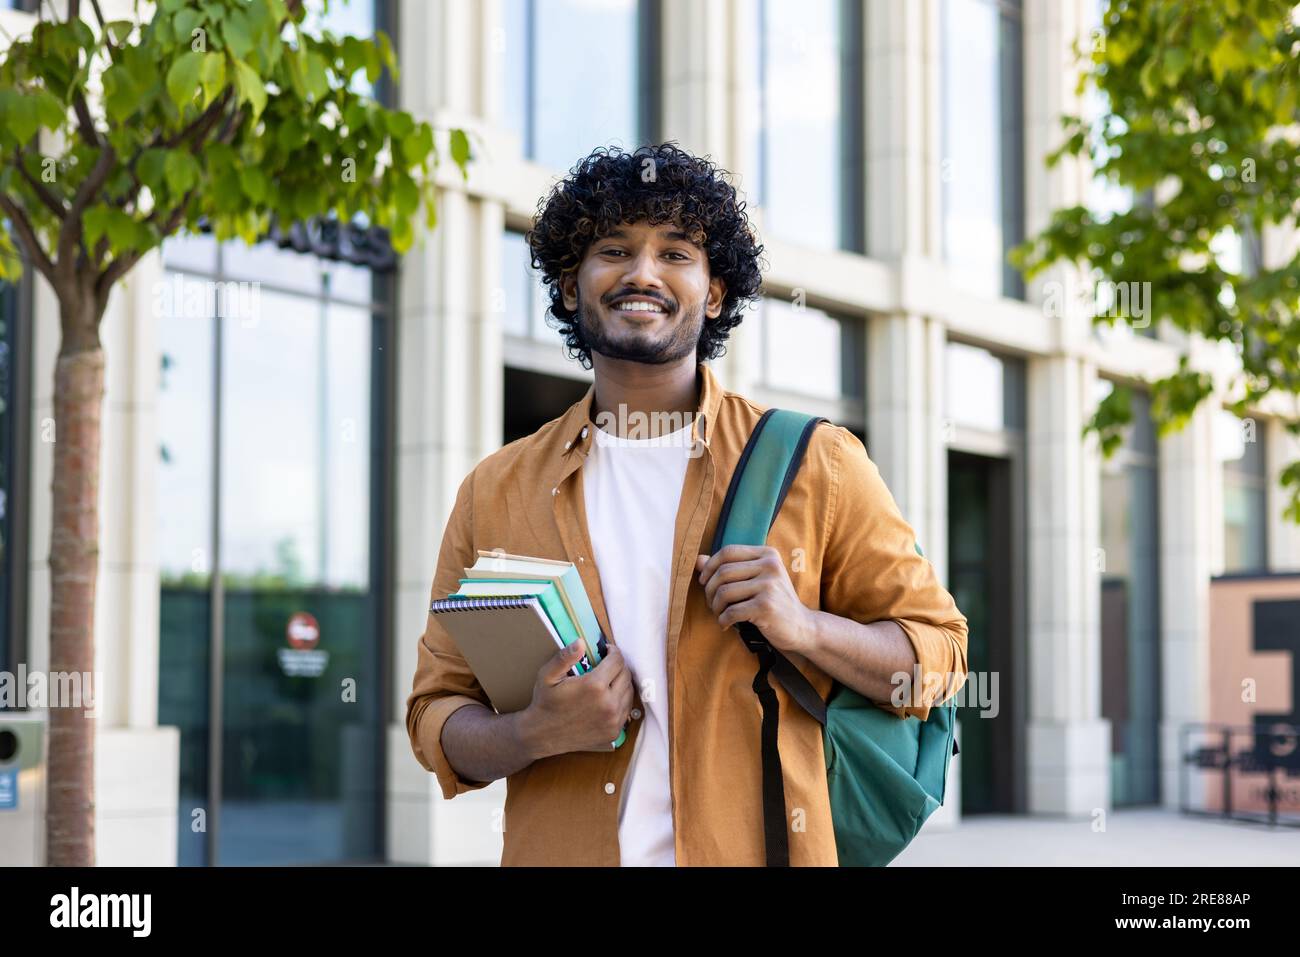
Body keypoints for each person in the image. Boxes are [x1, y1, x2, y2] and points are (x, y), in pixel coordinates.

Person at [405, 142, 969, 866]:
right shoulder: (497, 488)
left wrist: (806, 627)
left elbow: (942, 660)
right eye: (614, 249)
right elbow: (434, 712)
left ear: (715, 292)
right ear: (571, 284)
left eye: (676, 252)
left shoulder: (819, 463)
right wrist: (532, 732)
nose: (643, 272)